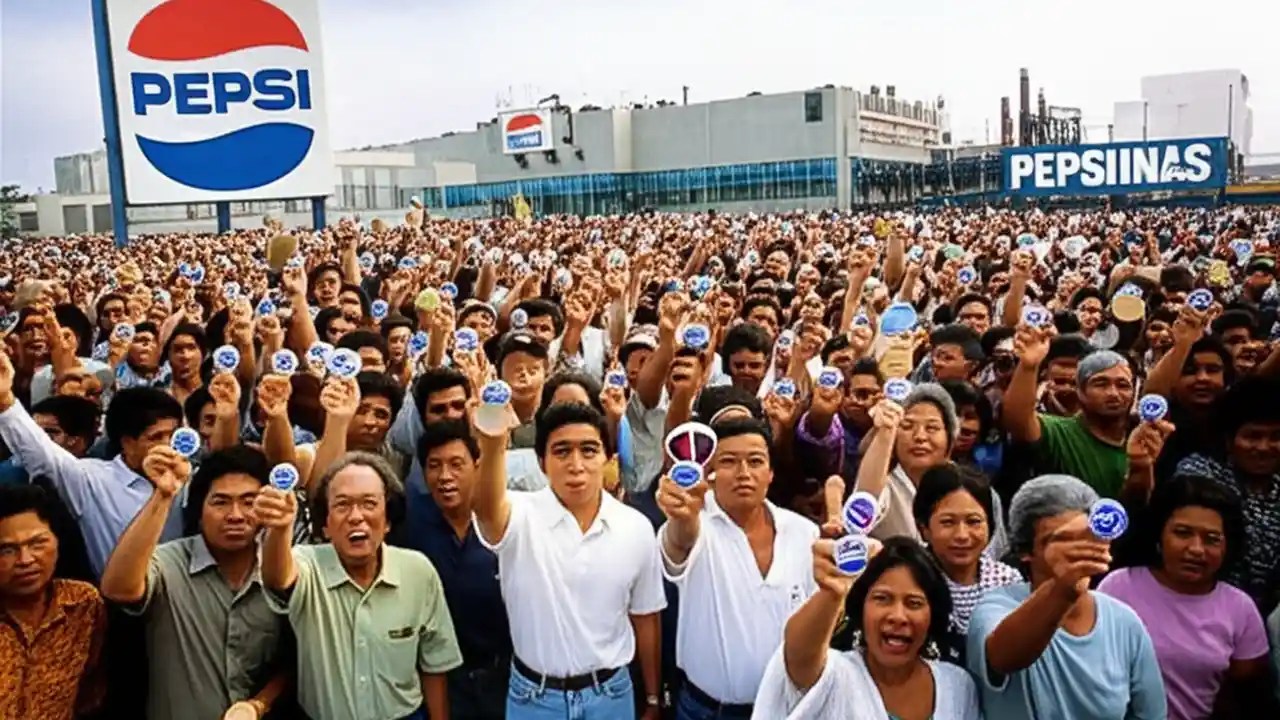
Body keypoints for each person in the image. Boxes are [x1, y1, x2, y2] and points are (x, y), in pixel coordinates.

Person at [472, 401, 666, 719]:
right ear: (542, 462)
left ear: (607, 457)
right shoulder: (519, 514)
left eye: (589, 451)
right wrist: (492, 442)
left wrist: (654, 697)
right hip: (534, 699)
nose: (576, 464)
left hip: (611, 696)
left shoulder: (636, 527)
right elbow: (487, 509)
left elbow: (645, 616)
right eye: (562, 451)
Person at [255, 452, 463, 720]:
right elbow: (278, 577)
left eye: (369, 504)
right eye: (342, 505)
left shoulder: (418, 571)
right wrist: (281, 529)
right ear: (326, 525)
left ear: (387, 520)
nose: (356, 517)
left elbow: (435, 664)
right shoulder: (308, 563)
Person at [99, 445, 289, 720]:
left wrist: (259, 704)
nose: (235, 515)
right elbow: (118, 588)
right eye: (220, 502)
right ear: (199, 511)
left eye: (249, 502)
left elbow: (293, 662)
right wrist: (163, 495)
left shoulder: (282, 570)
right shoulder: (168, 564)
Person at [966, 474, 1167, 719]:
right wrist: (1063, 590)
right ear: (1025, 551)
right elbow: (1004, 657)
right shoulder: (995, 607)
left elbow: (1151, 713)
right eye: (1061, 540)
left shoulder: (1124, 622)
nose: (1079, 549)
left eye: (1086, 537)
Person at [656, 417, 818, 719]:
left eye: (755, 461)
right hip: (707, 711)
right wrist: (681, 516)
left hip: (788, 709)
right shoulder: (696, 524)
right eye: (728, 461)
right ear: (710, 472)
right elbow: (678, 543)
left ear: (770, 473)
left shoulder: (804, 533)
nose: (744, 473)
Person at [1099, 473, 1273, 719]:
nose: (1196, 549)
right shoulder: (1119, 586)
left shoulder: (1240, 608)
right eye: (1182, 533)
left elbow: (1244, 694)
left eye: (1212, 539)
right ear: (1159, 536)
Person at [0, 352, 186, 576]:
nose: (168, 447)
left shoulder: (189, 479)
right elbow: (43, 454)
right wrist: (5, 401)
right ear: (127, 442)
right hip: (117, 603)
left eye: (173, 436)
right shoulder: (92, 480)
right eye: (156, 438)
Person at [753, 537, 980, 719]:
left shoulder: (958, 686)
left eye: (914, 603)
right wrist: (831, 592)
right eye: (882, 598)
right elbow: (799, 652)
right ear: (860, 608)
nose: (898, 616)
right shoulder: (835, 676)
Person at [414, 420, 513, 719]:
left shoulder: (507, 523)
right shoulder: (410, 526)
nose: (445, 476)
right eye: (434, 466)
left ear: (477, 465)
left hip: (505, 676)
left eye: (457, 464)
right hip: (441, 682)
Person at [0, 484, 107, 719]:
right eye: (7, 550)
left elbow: (92, 690)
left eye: (37, 543)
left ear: (58, 542)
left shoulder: (82, 605)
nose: (25, 560)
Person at [911, 463, 1021, 665]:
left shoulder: (1009, 583)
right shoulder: (912, 580)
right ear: (923, 528)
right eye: (948, 522)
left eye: (973, 521)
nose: (962, 535)